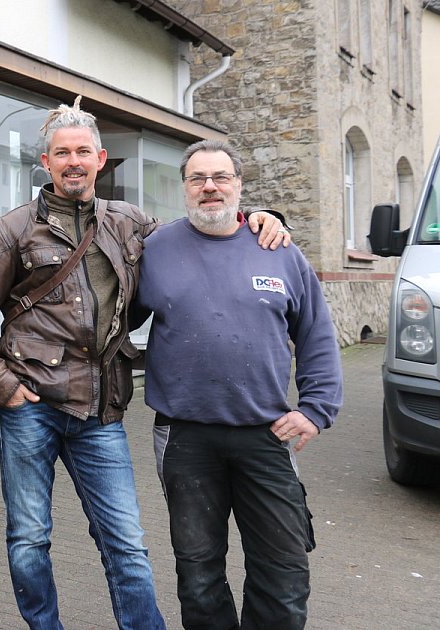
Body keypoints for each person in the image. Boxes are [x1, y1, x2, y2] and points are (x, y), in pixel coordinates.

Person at [0, 98, 290, 630]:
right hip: (29, 405)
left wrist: (256, 219)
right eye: (62, 152)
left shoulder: (130, 223)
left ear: (100, 158)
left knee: (128, 544)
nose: (73, 161)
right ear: (46, 162)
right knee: (29, 539)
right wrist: (1, 386)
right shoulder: (11, 230)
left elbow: (201, 233)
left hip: (100, 410)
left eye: (82, 151)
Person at [132, 139, 343, 629]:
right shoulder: (156, 250)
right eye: (198, 179)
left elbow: (315, 332)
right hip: (184, 436)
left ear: (239, 185)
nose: (210, 187)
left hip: (268, 434)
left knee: (283, 567)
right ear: (183, 188)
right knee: (199, 570)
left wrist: (315, 409)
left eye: (221, 177)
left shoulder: (279, 249)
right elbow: (114, 319)